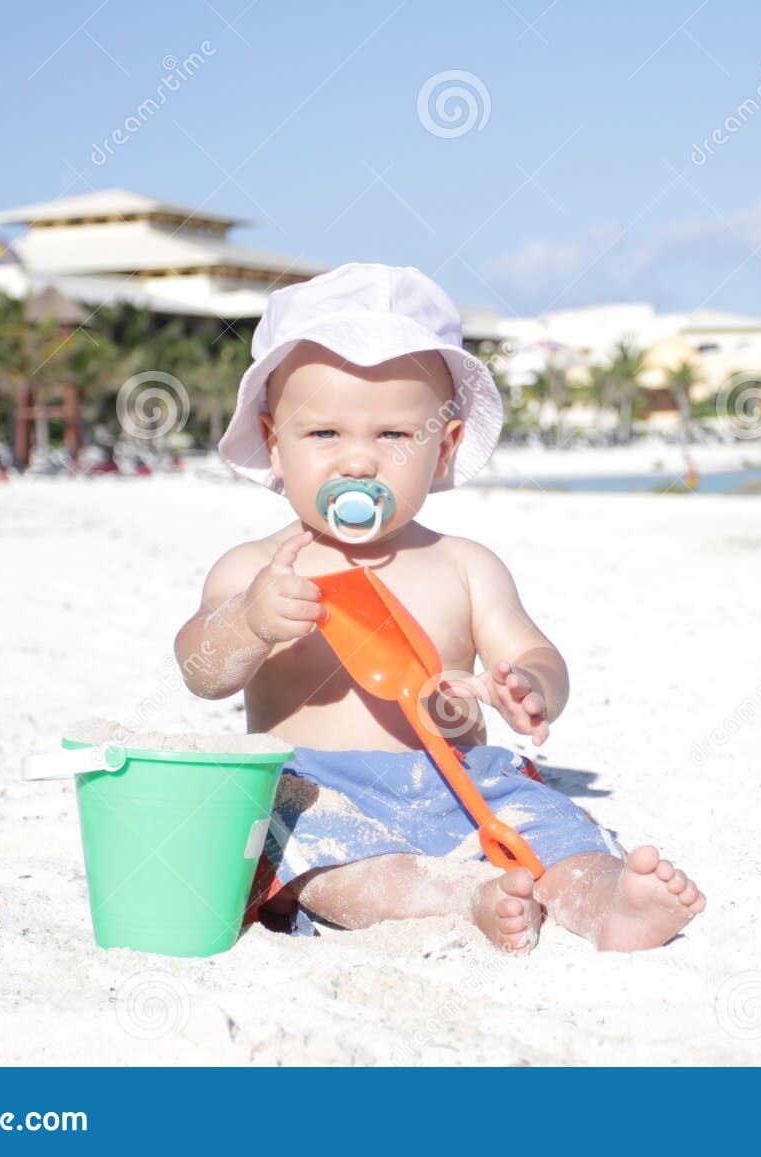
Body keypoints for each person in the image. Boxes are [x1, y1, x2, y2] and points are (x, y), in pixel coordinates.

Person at [174, 264, 705, 954]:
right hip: (312, 786)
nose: (359, 461)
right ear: (275, 441)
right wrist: (246, 623)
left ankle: (605, 898)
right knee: (321, 863)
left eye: (394, 435)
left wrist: (530, 687)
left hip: (459, 776)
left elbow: (533, 650)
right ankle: (461, 895)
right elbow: (201, 668)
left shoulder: (464, 564)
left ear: (444, 446)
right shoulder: (254, 569)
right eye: (325, 434)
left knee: (548, 823)